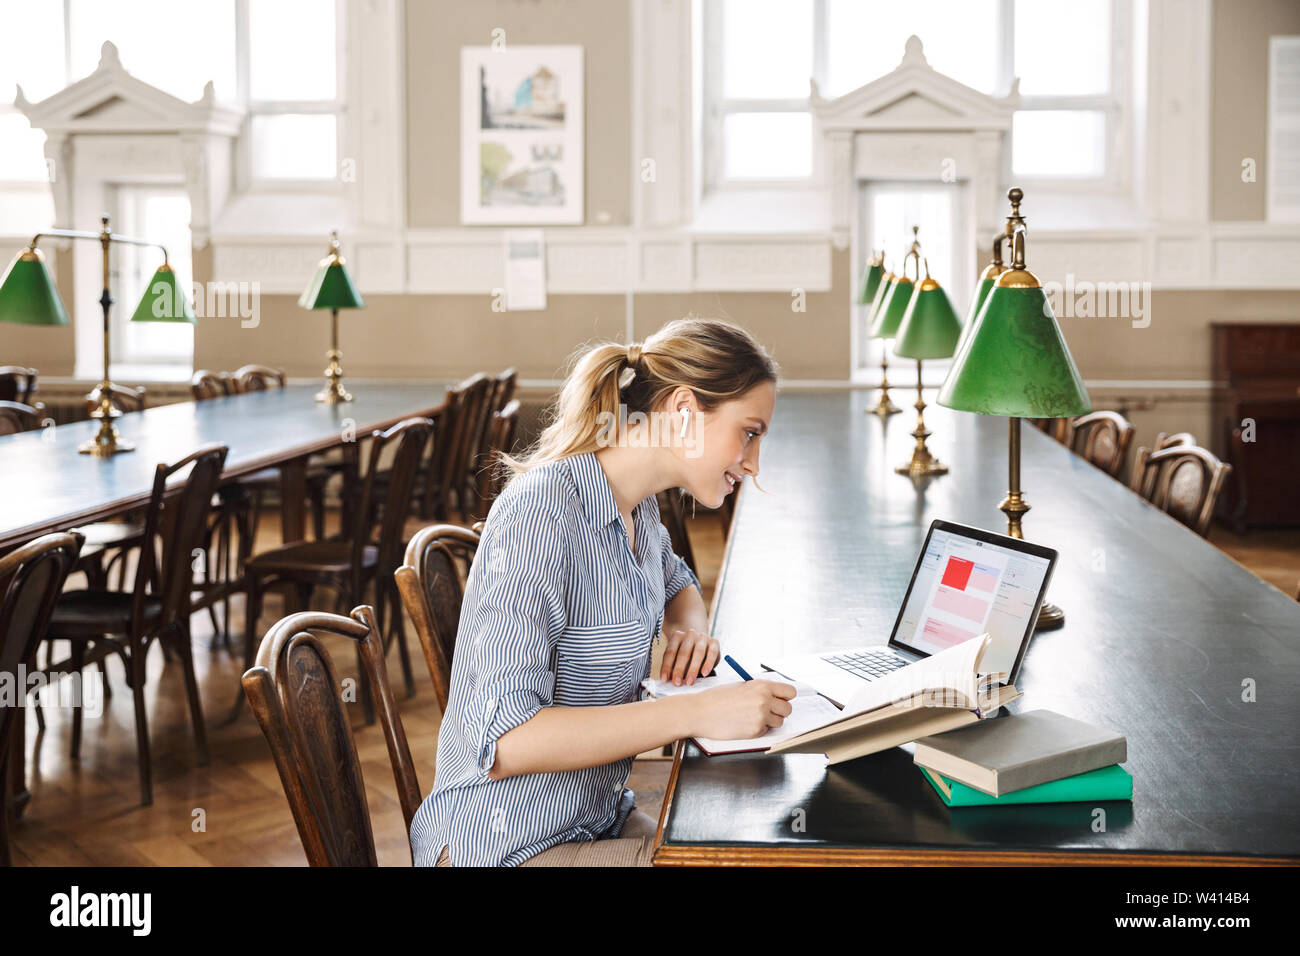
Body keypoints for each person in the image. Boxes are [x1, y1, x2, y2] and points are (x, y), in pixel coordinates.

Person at [408, 316, 795, 866]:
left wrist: (689, 626)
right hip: (507, 847)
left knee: (747, 845)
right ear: (683, 411)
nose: (753, 464)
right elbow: (506, 741)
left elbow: (678, 580)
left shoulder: (635, 509)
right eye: (749, 433)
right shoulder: (541, 512)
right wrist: (697, 713)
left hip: (596, 820)